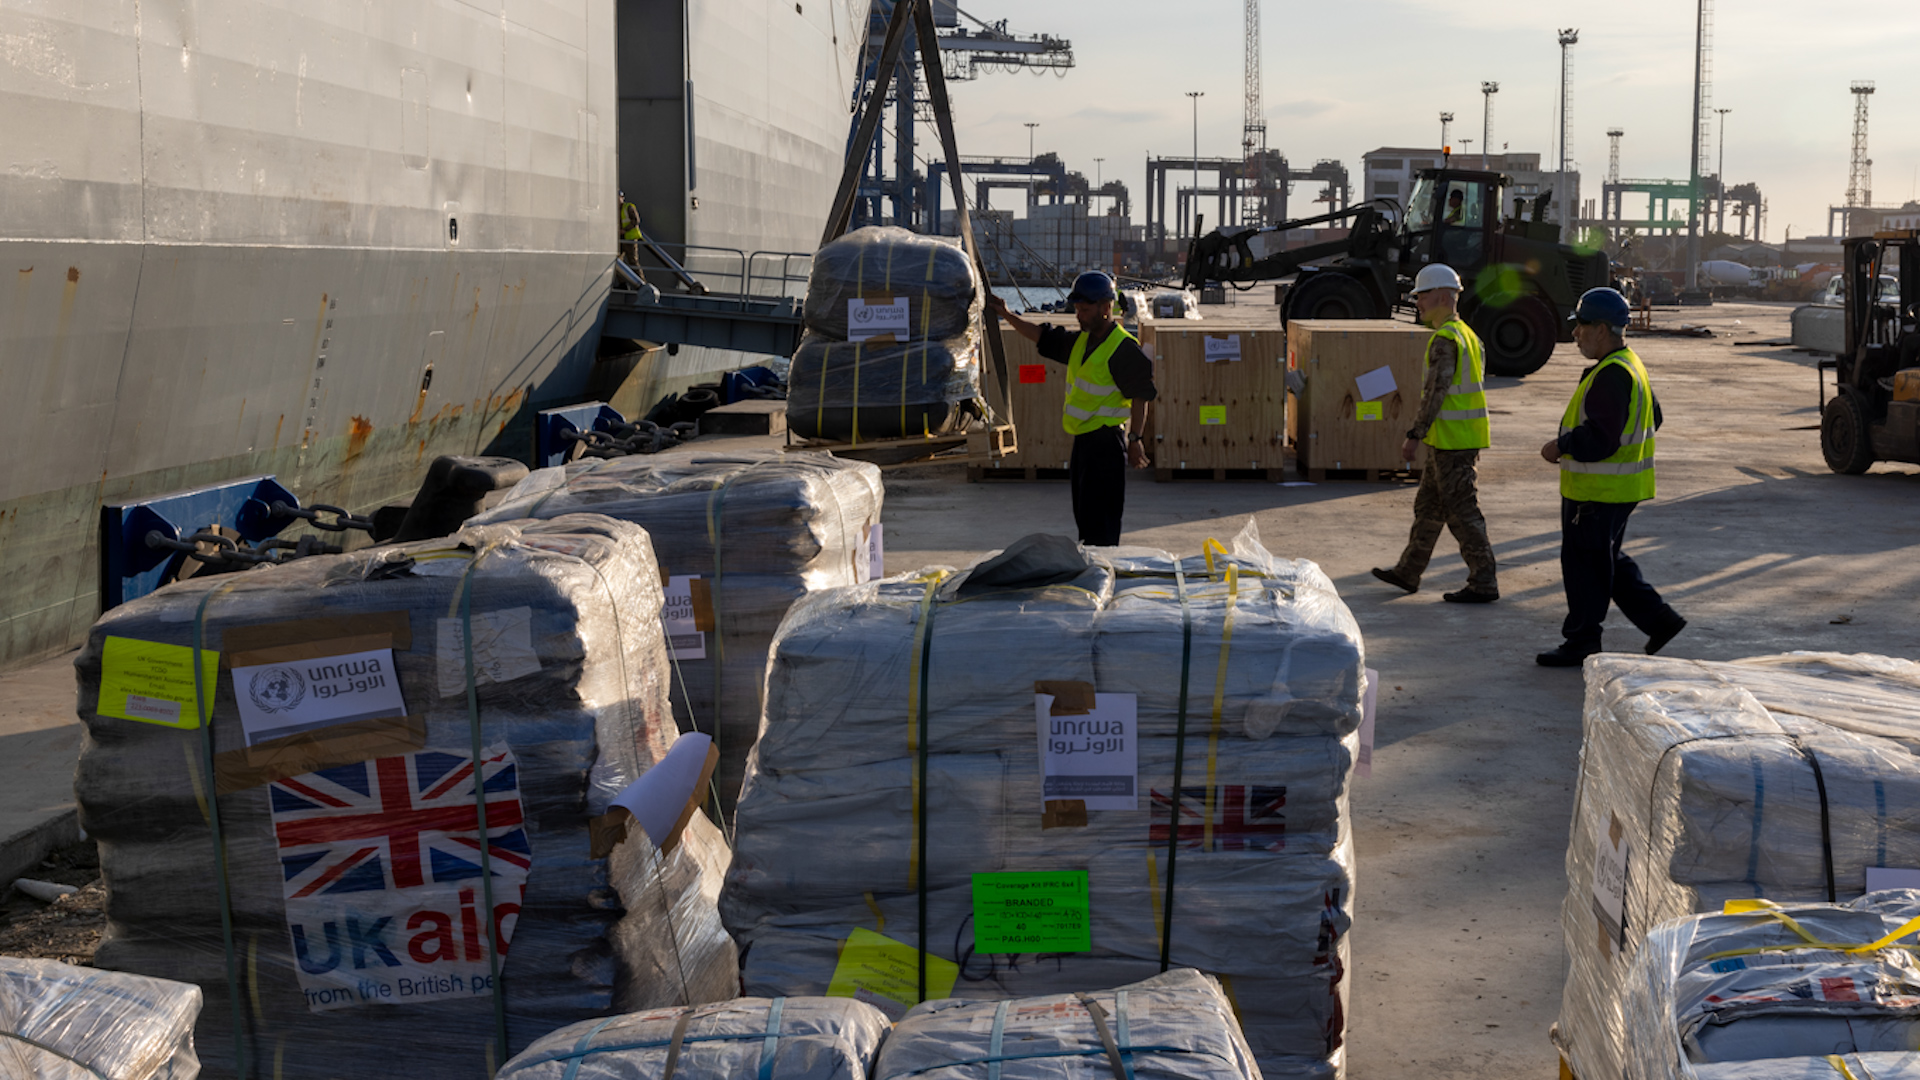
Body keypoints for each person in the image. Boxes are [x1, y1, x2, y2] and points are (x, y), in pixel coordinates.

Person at [1535, 286, 1687, 667]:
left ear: (1602, 329)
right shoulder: (1629, 364)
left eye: (1581, 325)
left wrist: (1563, 444)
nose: (1575, 333)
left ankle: (1582, 640)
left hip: (1597, 491)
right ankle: (1660, 620)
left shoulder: (1611, 375)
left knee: (1585, 567)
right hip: (1618, 489)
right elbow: (1655, 417)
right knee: (1605, 560)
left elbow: (1601, 438)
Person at [989, 272, 1155, 546]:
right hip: (1084, 443)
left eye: (1084, 310)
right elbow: (1041, 336)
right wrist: (1006, 314)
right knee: (1086, 518)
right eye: (1077, 309)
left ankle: (1102, 568)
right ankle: (1092, 565)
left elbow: (1141, 396)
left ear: (1105, 308)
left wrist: (1136, 439)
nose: (1079, 315)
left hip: (1107, 445)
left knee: (1102, 521)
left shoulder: (1123, 348)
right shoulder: (1080, 343)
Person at [1371, 263, 1498, 602]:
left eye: (1422, 295)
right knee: (1428, 508)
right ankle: (1408, 572)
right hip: (1452, 440)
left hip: (1454, 442)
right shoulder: (1468, 335)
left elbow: (1436, 393)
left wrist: (1415, 434)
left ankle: (1484, 581)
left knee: (1462, 513)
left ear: (1443, 295)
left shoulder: (1446, 340)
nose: (1418, 303)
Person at [619, 191, 643, 269]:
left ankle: (640, 281)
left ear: (622, 198)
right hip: (620, 238)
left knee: (633, 261)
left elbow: (636, 220)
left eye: (619, 197)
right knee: (618, 261)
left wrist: (625, 230)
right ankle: (622, 281)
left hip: (630, 237)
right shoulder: (615, 209)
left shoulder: (628, 207)